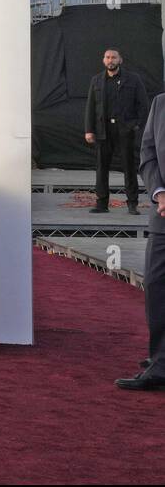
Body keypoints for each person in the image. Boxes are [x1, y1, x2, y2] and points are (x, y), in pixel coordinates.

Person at [119, 90, 165, 390]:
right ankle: (160, 362)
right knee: (157, 291)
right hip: (162, 216)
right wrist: (159, 193)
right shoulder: (160, 103)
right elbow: (147, 154)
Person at [85, 47, 149, 216]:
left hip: (125, 131)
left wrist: (136, 126)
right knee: (101, 168)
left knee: (129, 168)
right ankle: (101, 203)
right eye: (107, 57)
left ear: (120, 60)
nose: (110, 60)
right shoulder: (97, 80)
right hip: (102, 131)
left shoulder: (133, 79)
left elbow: (143, 105)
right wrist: (89, 130)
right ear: (103, 60)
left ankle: (132, 204)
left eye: (114, 57)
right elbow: (90, 107)